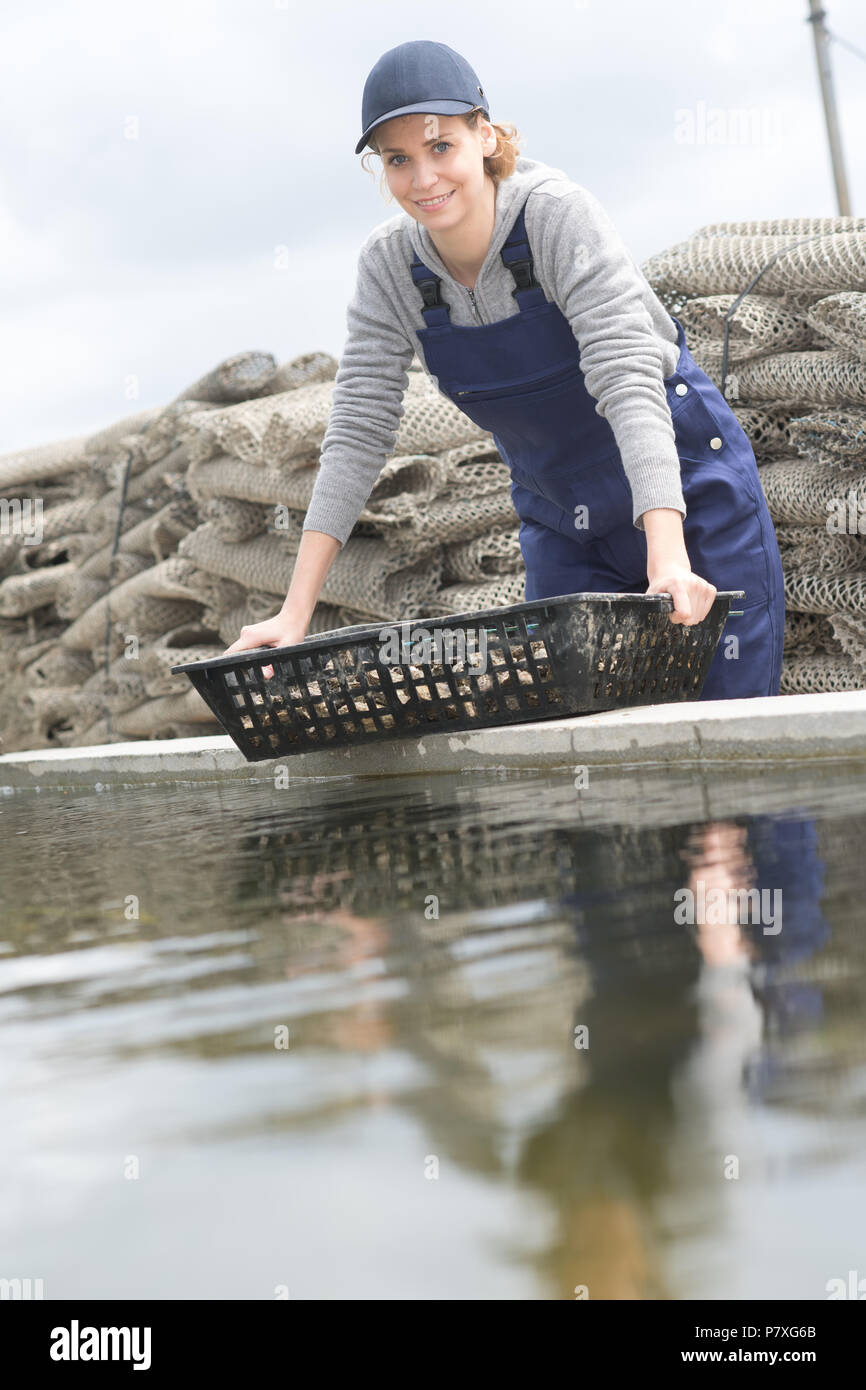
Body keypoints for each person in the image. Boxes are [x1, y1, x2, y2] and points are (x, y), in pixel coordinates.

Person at [225, 40, 785, 700]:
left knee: (725, 747)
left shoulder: (555, 217)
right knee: (585, 753)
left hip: (686, 494)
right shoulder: (388, 270)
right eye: (398, 160)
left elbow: (627, 379)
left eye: (441, 148)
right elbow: (356, 436)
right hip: (563, 523)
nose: (423, 179)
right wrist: (294, 615)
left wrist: (667, 557)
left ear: (483, 135)